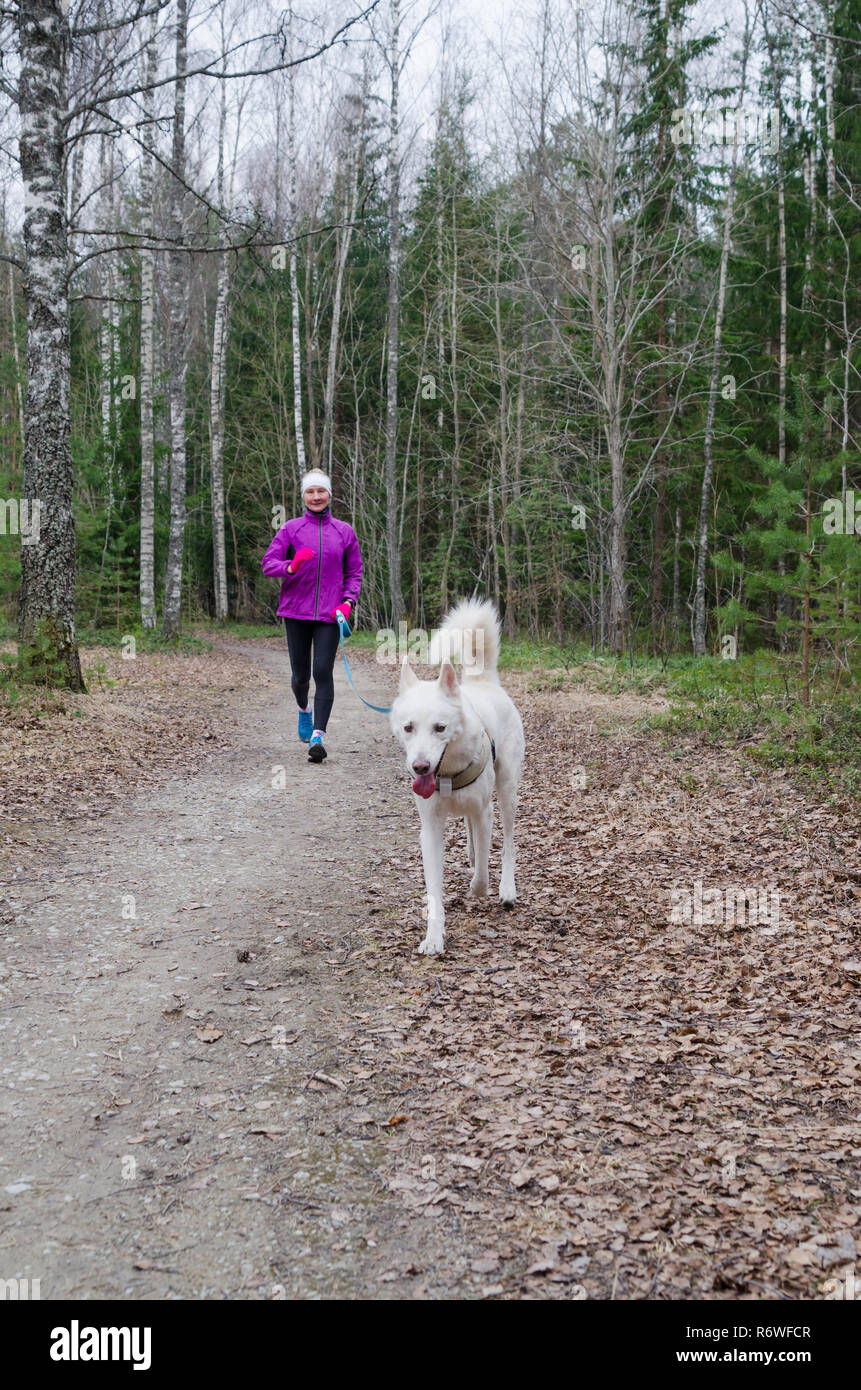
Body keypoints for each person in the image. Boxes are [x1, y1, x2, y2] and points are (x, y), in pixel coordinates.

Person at [261, 469, 362, 763]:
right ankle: (303, 708)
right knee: (300, 675)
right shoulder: (291, 529)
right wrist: (291, 567)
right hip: (296, 612)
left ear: (330, 494)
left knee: (322, 672)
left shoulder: (344, 531)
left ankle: (318, 735)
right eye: (310, 492)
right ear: (303, 496)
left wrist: (347, 602)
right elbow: (269, 563)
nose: (316, 497)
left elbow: (354, 572)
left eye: (321, 491)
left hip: (330, 614)